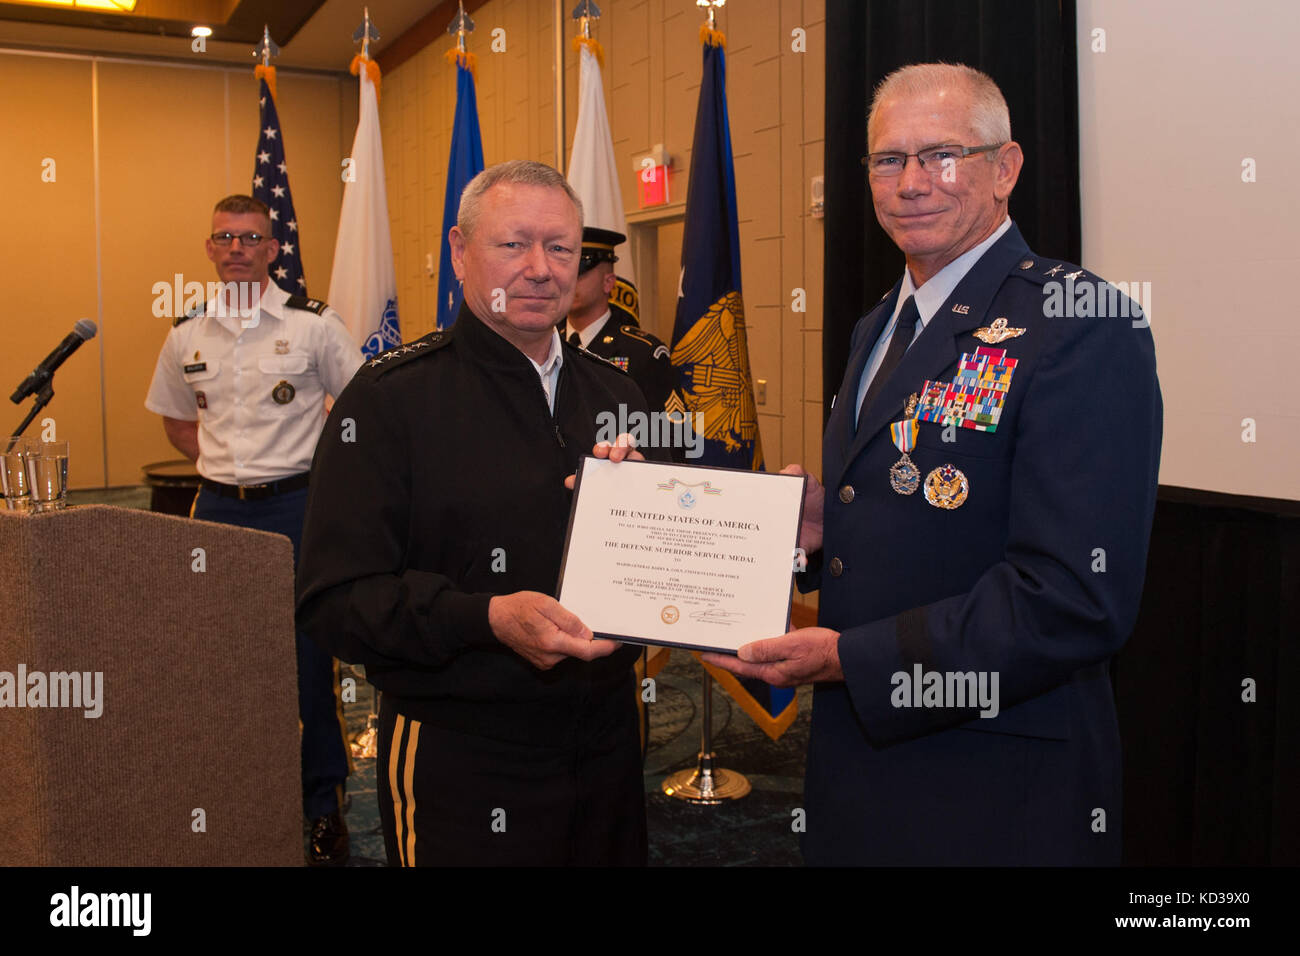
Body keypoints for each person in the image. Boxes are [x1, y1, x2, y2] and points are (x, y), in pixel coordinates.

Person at [703, 63, 1163, 865]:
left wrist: (853, 657)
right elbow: (913, 505)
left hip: (993, 775)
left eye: (943, 154)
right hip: (862, 758)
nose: (912, 182)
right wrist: (820, 521)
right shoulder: (878, 325)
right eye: (889, 159)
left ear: (1006, 168)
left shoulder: (1078, 323)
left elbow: (1074, 598)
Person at [295, 161, 659, 866]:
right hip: (463, 750)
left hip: (609, 737)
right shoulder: (390, 399)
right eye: (512, 244)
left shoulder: (619, 393)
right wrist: (486, 620)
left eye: (560, 248)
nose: (539, 268)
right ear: (460, 252)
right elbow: (333, 602)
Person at [145, 194, 362, 866]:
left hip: (296, 510)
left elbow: (361, 413)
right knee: (218, 662)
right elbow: (179, 423)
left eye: (251, 238)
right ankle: (233, 791)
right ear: (209, 249)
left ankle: (322, 801)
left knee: (305, 660)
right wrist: (232, 470)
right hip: (215, 512)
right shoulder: (187, 335)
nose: (237, 248)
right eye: (225, 237)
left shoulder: (315, 326)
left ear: (273, 250)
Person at [561, 226, 684, 434]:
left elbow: (675, 437)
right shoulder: (544, 341)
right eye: (565, 272)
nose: (570, 281)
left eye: (580, 273)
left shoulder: (643, 352)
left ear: (608, 283)